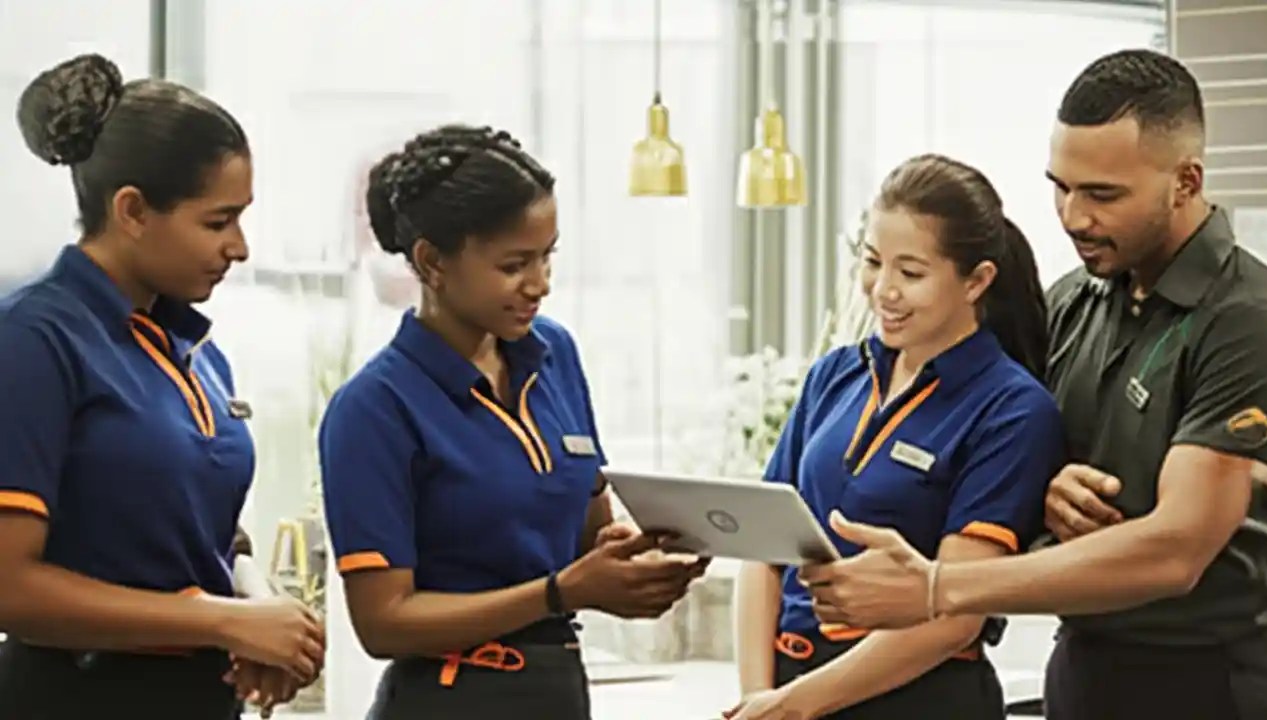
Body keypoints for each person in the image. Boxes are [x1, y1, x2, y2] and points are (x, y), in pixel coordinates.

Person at [800, 48, 1267, 720]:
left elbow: (1176, 550)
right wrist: (1045, 485)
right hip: (1081, 664)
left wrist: (939, 587)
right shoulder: (1071, 303)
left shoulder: (1248, 319)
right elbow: (1012, 454)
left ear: (1187, 180)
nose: (1073, 216)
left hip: (1209, 683)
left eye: (1103, 194)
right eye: (1062, 186)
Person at [318, 124, 708, 720]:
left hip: (557, 693)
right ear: (431, 262)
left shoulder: (554, 355)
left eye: (548, 256)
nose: (540, 284)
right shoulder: (375, 408)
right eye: (514, 264)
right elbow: (383, 622)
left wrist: (626, 560)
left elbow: (584, 530)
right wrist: (561, 593)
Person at [0, 54, 325, 720]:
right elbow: (10, 587)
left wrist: (256, 605)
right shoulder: (35, 340)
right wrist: (218, 623)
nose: (239, 247)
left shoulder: (195, 352)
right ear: (132, 211)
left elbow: (200, 529)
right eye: (217, 221)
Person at [727, 153, 1065, 720]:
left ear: (977, 281)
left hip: (912, 698)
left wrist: (790, 707)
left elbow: (958, 610)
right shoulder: (836, 374)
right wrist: (758, 698)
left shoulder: (1013, 409)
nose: (883, 290)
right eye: (873, 261)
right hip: (788, 688)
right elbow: (764, 548)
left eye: (910, 273)